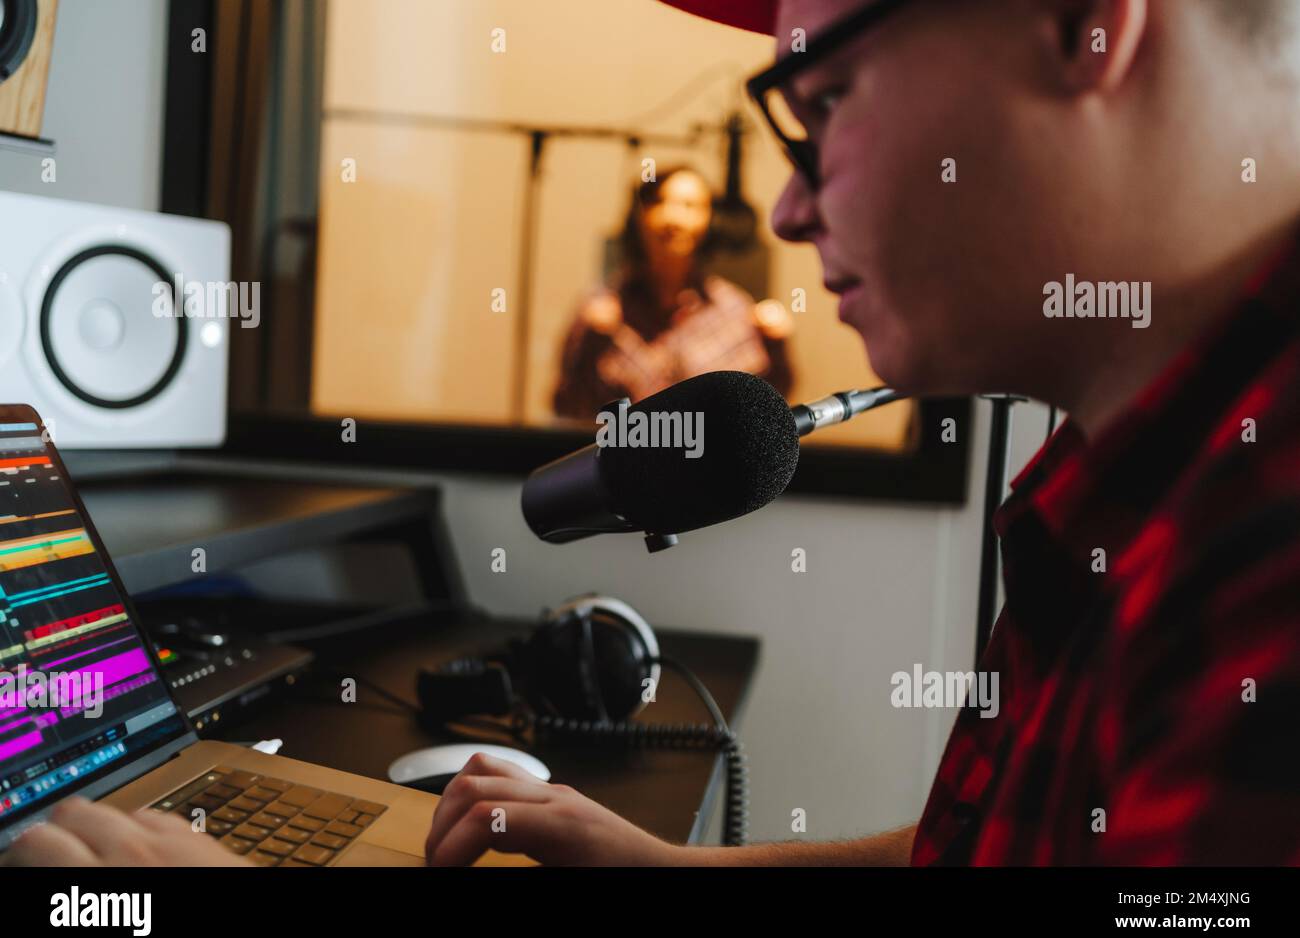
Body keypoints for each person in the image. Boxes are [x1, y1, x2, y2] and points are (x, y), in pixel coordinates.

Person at [10, 0, 1300, 867]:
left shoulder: (1265, 555)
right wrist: (662, 867)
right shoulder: (1133, 471)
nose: (788, 206)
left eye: (823, 99)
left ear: (1087, 25)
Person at [552, 165, 793, 420]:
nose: (674, 218)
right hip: (626, 453)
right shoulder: (602, 308)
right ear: (640, 216)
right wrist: (591, 343)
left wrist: (777, 347)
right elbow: (567, 406)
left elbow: (765, 412)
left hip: (705, 455)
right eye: (660, 202)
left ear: (710, 219)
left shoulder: (732, 310)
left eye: (690, 205)